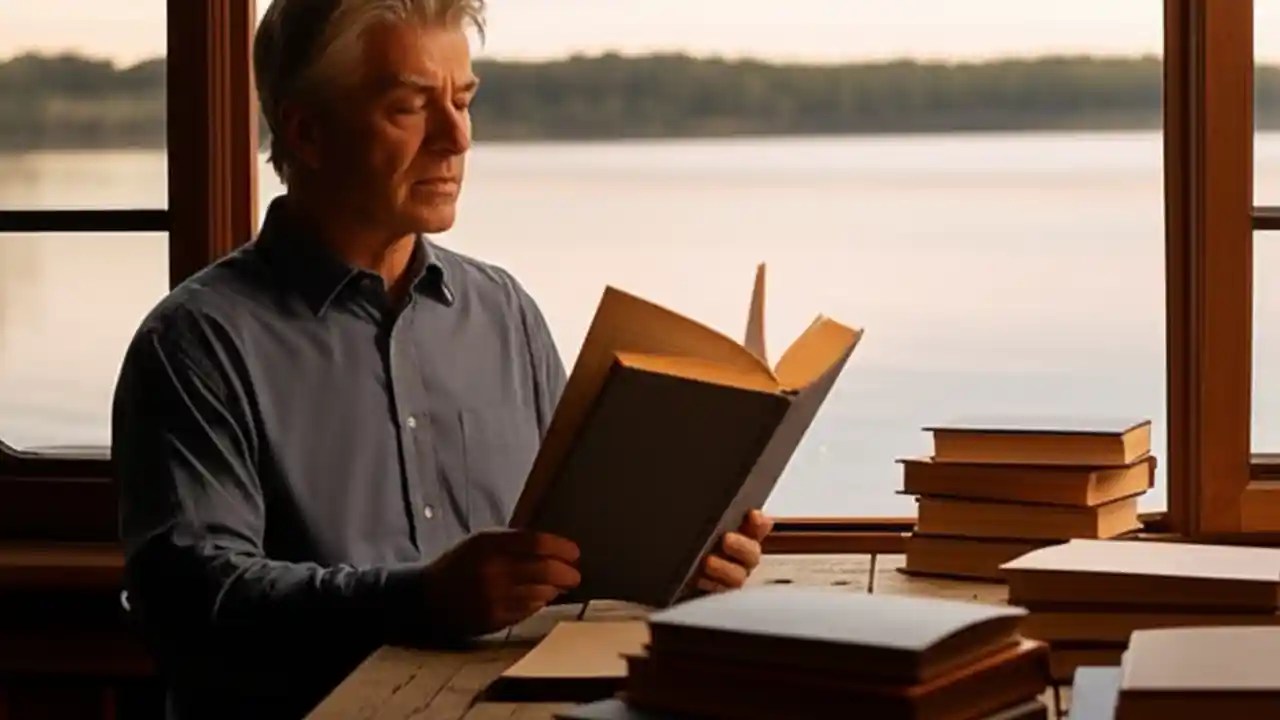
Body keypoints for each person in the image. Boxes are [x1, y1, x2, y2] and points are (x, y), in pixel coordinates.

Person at [110, 1, 774, 717]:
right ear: (306, 131)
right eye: (410, 107)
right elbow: (193, 605)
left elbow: (570, 554)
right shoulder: (195, 344)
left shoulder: (505, 314)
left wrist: (678, 566)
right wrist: (421, 600)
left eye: (463, 101)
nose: (457, 138)